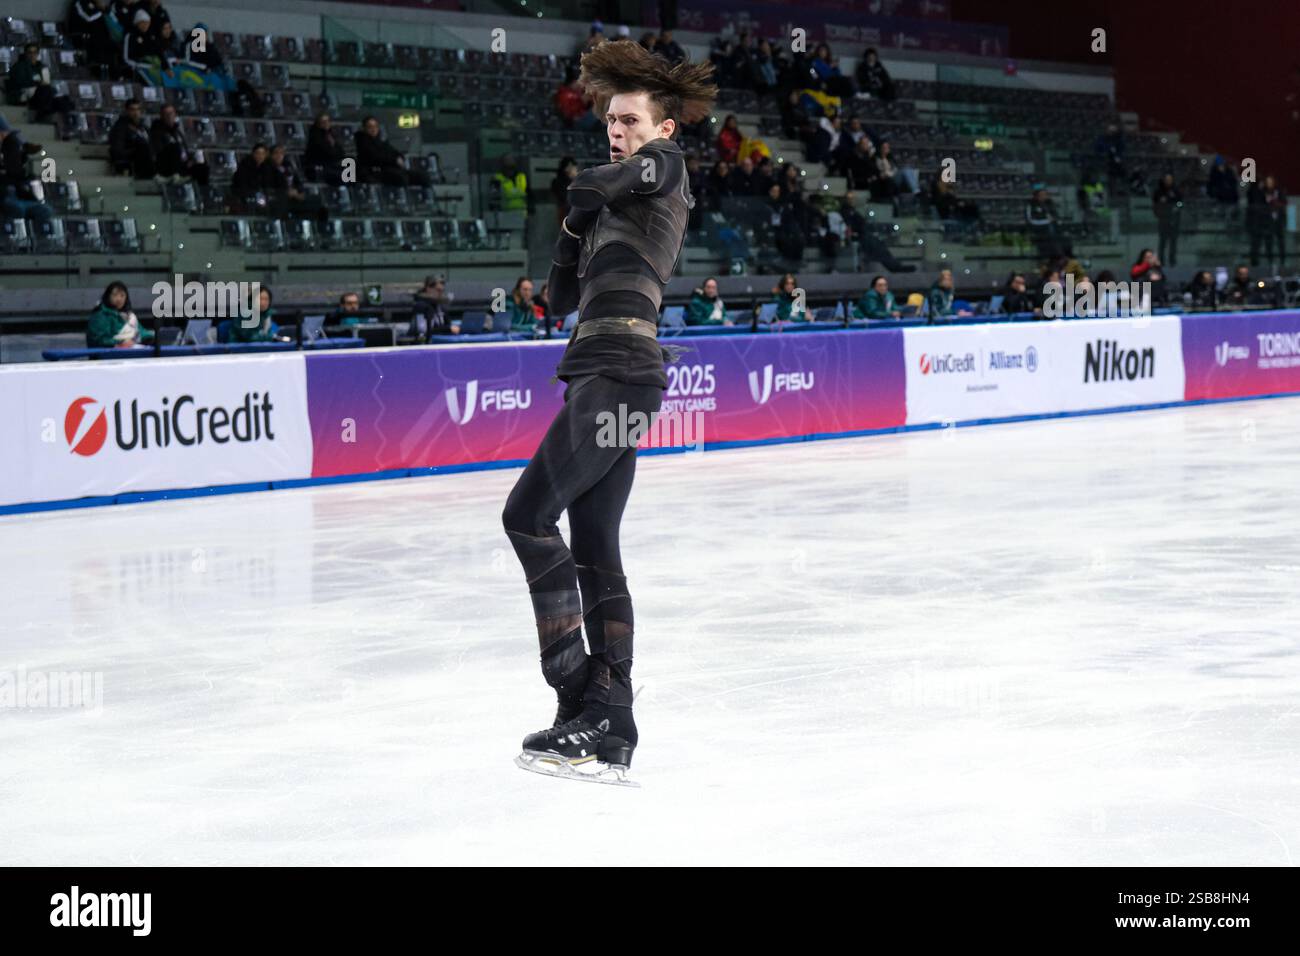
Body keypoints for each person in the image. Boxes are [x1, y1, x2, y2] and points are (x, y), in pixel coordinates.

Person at [504, 39, 717, 783]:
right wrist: (570, 231)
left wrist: (592, 193)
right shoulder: (612, 199)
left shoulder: (667, 169)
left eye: (630, 120)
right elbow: (559, 299)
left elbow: (616, 179)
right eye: (610, 122)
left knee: (526, 516)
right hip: (606, 372)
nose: (617, 131)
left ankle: (576, 692)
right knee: (594, 540)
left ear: (664, 127)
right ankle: (614, 719)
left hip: (621, 373)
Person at [0, 117, 54, 224]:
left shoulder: (11, 151)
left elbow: (18, 177)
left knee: (44, 211)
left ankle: (35, 236)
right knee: (16, 209)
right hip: (4, 197)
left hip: (17, 195)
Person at [5, 44, 74, 122]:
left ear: (37, 54)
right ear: (26, 53)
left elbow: (48, 82)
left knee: (64, 100)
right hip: (24, 94)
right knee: (46, 90)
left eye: (35, 52)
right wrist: (38, 84)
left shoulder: (42, 67)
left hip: (43, 93)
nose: (32, 55)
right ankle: (41, 115)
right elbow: (19, 82)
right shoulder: (19, 66)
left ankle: (67, 124)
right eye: (30, 52)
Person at [354, 116, 428, 188]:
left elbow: (394, 152)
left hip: (391, 170)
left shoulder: (381, 142)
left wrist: (399, 158)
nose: (374, 129)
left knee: (422, 177)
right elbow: (375, 157)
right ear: (364, 128)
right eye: (370, 127)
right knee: (400, 178)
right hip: (374, 172)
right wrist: (394, 160)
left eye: (375, 126)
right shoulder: (362, 142)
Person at [149, 103, 208, 185]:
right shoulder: (157, 132)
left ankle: (203, 194)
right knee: (175, 146)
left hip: (183, 164)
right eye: (166, 114)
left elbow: (185, 149)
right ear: (162, 116)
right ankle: (176, 176)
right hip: (168, 167)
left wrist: (190, 159)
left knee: (202, 168)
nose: (169, 116)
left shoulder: (177, 131)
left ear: (175, 115)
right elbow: (159, 153)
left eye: (171, 113)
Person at [86, 281, 152, 347]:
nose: (119, 299)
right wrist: (120, 342)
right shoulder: (100, 315)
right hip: (110, 354)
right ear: (108, 296)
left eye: (122, 295)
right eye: (115, 295)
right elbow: (99, 340)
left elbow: (141, 332)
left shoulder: (130, 316)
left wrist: (150, 337)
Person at [108, 99, 154, 178]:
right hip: (134, 161)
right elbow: (117, 151)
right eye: (132, 110)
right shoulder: (120, 128)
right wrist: (136, 150)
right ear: (127, 111)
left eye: (138, 109)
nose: (136, 113)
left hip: (149, 157)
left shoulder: (144, 128)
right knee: (143, 146)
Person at [229, 142, 274, 211]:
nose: (260, 156)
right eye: (258, 153)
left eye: (263, 154)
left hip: (259, 198)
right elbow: (242, 184)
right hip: (245, 197)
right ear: (253, 154)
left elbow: (267, 184)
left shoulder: (267, 167)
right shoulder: (244, 166)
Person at [304, 112, 345, 183]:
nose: (326, 123)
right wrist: (333, 147)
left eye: (328, 121)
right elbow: (328, 154)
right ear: (318, 124)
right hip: (320, 167)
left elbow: (341, 152)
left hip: (332, 165)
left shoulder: (331, 135)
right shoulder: (315, 137)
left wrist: (334, 147)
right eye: (323, 122)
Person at [1152, 173, 1182, 266]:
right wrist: (1159, 213)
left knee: (1173, 242)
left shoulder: (1176, 191)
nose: (1168, 181)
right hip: (1163, 219)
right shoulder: (1158, 192)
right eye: (1167, 179)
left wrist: (1177, 208)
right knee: (1162, 242)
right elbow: (1155, 205)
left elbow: (1180, 203)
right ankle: (1161, 261)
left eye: (1170, 179)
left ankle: (1172, 260)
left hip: (1174, 220)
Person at [410, 275, 450, 339]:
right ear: (428, 288)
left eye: (442, 291)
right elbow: (422, 330)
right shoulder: (421, 306)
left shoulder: (441, 307)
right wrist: (448, 329)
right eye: (438, 290)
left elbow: (447, 325)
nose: (440, 294)